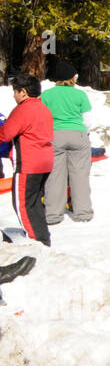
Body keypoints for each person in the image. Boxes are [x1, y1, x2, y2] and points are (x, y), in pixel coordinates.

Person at [0, 75, 53, 246]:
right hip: (45, 161)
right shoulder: (43, 108)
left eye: (15, 92)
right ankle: (43, 237)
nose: (14, 96)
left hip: (28, 163)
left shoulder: (23, 109)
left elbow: (5, 134)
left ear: (23, 92)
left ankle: (37, 241)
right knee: (35, 203)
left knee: (23, 204)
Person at [42, 61, 94, 225]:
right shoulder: (80, 95)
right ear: (72, 78)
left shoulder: (47, 95)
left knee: (55, 176)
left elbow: (42, 118)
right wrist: (83, 133)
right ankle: (83, 212)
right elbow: (88, 119)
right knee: (80, 175)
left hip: (55, 135)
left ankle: (53, 215)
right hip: (77, 134)